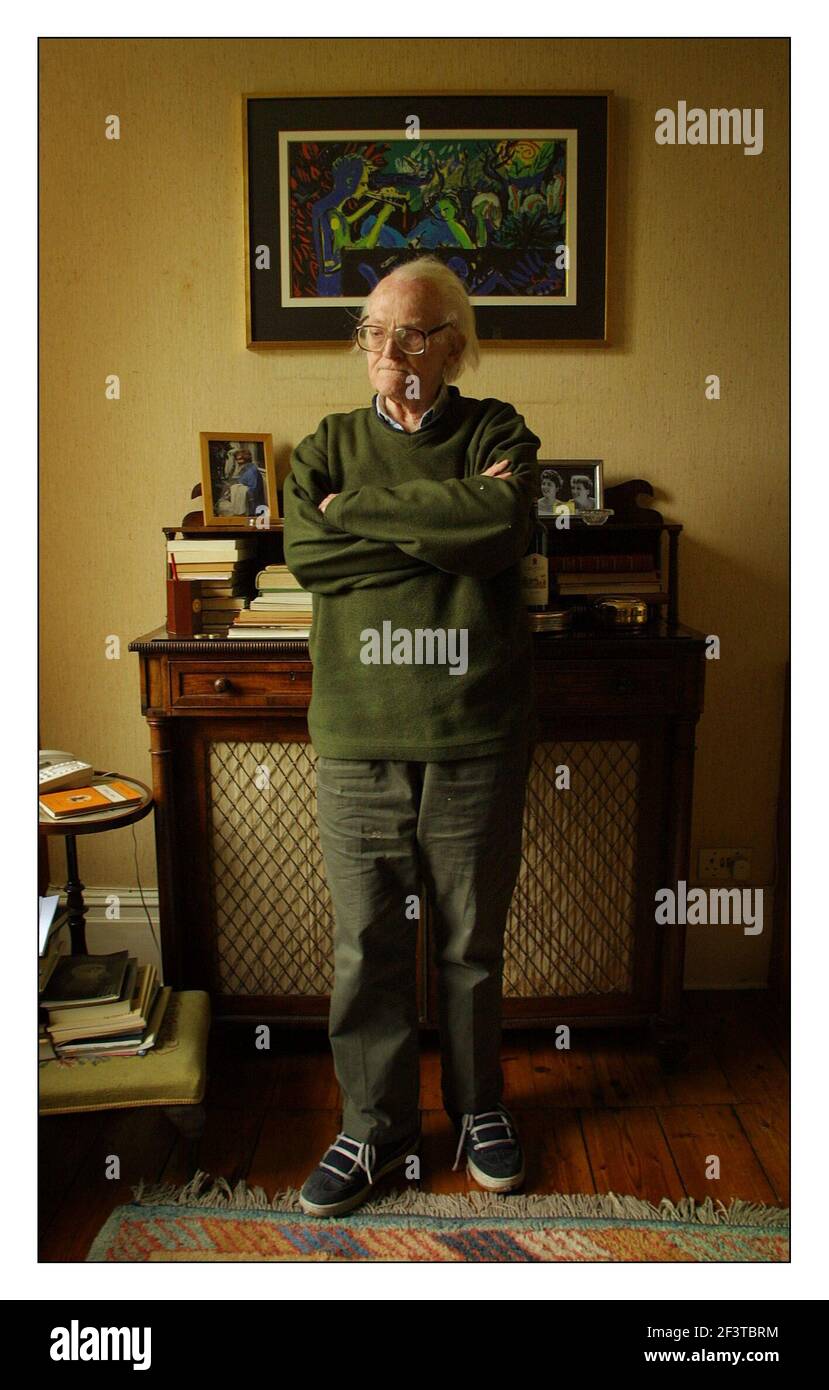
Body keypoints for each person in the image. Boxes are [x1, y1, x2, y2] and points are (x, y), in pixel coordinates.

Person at [282, 254, 541, 1218]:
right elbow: (307, 551)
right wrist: (439, 525)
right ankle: (374, 1128)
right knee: (366, 945)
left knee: (471, 945)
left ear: (457, 346)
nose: (396, 350)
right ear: (361, 347)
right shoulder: (326, 444)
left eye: (421, 331)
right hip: (356, 733)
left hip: (477, 729)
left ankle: (479, 1109)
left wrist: (364, 518)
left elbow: (503, 521)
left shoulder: (496, 430)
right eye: (377, 333)